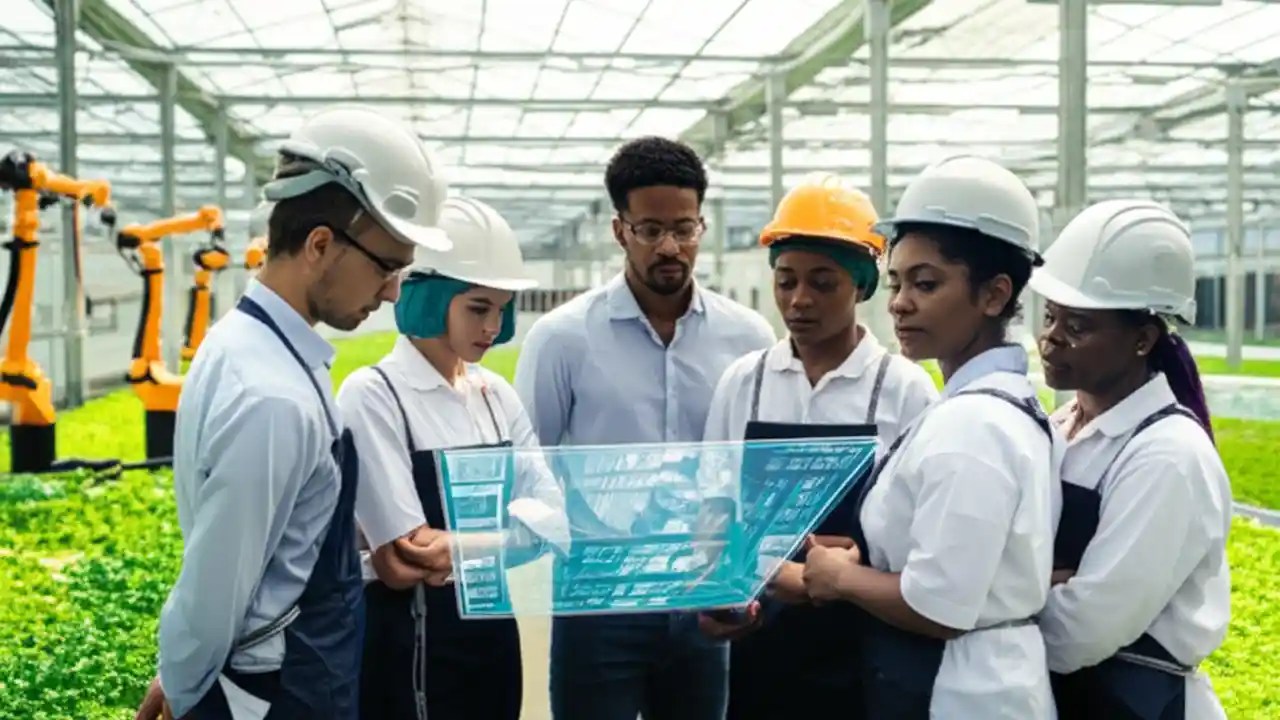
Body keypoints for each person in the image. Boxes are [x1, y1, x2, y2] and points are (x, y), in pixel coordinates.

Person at [134, 105, 452, 720]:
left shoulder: (248, 345)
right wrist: (181, 678)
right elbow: (217, 581)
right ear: (320, 244)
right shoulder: (272, 396)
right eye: (387, 267)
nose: (392, 292)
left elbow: (268, 547)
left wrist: (179, 674)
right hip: (277, 691)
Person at [514, 135, 776, 720]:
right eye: (650, 229)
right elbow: (531, 469)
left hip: (703, 597)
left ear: (702, 226)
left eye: (684, 229)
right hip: (597, 604)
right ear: (619, 230)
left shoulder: (749, 337)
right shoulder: (562, 339)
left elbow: (750, 471)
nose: (670, 247)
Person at [800, 155, 1063, 719]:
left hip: (960, 691)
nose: (899, 302)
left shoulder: (975, 425)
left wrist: (843, 579)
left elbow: (938, 604)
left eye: (926, 283)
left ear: (994, 295)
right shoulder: (988, 406)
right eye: (896, 282)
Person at [695, 174, 938, 719]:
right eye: (786, 281)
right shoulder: (745, 381)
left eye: (823, 283)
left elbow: (922, 531)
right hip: (760, 638)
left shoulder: (902, 389)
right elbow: (713, 505)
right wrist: (717, 595)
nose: (799, 300)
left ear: (862, 286)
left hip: (867, 645)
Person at [335, 196, 570, 720]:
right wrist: (511, 539)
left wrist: (454, 549)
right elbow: (402, 562)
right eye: (478, 307)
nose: (493, 327)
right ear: (428, 298)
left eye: (502, 309)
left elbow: (554, 521)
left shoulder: (495, 395)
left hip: (492, 635)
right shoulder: (374, 396)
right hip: (410, 643)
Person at [1028, 199, 1231, 719]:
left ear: (1143, 339)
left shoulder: (1168, 456)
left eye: (1078, 326)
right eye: (1050, 317)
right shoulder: (1058, 428)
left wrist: (990, 615)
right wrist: (1043, 584)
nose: (1051, 337)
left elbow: (1086, 627)